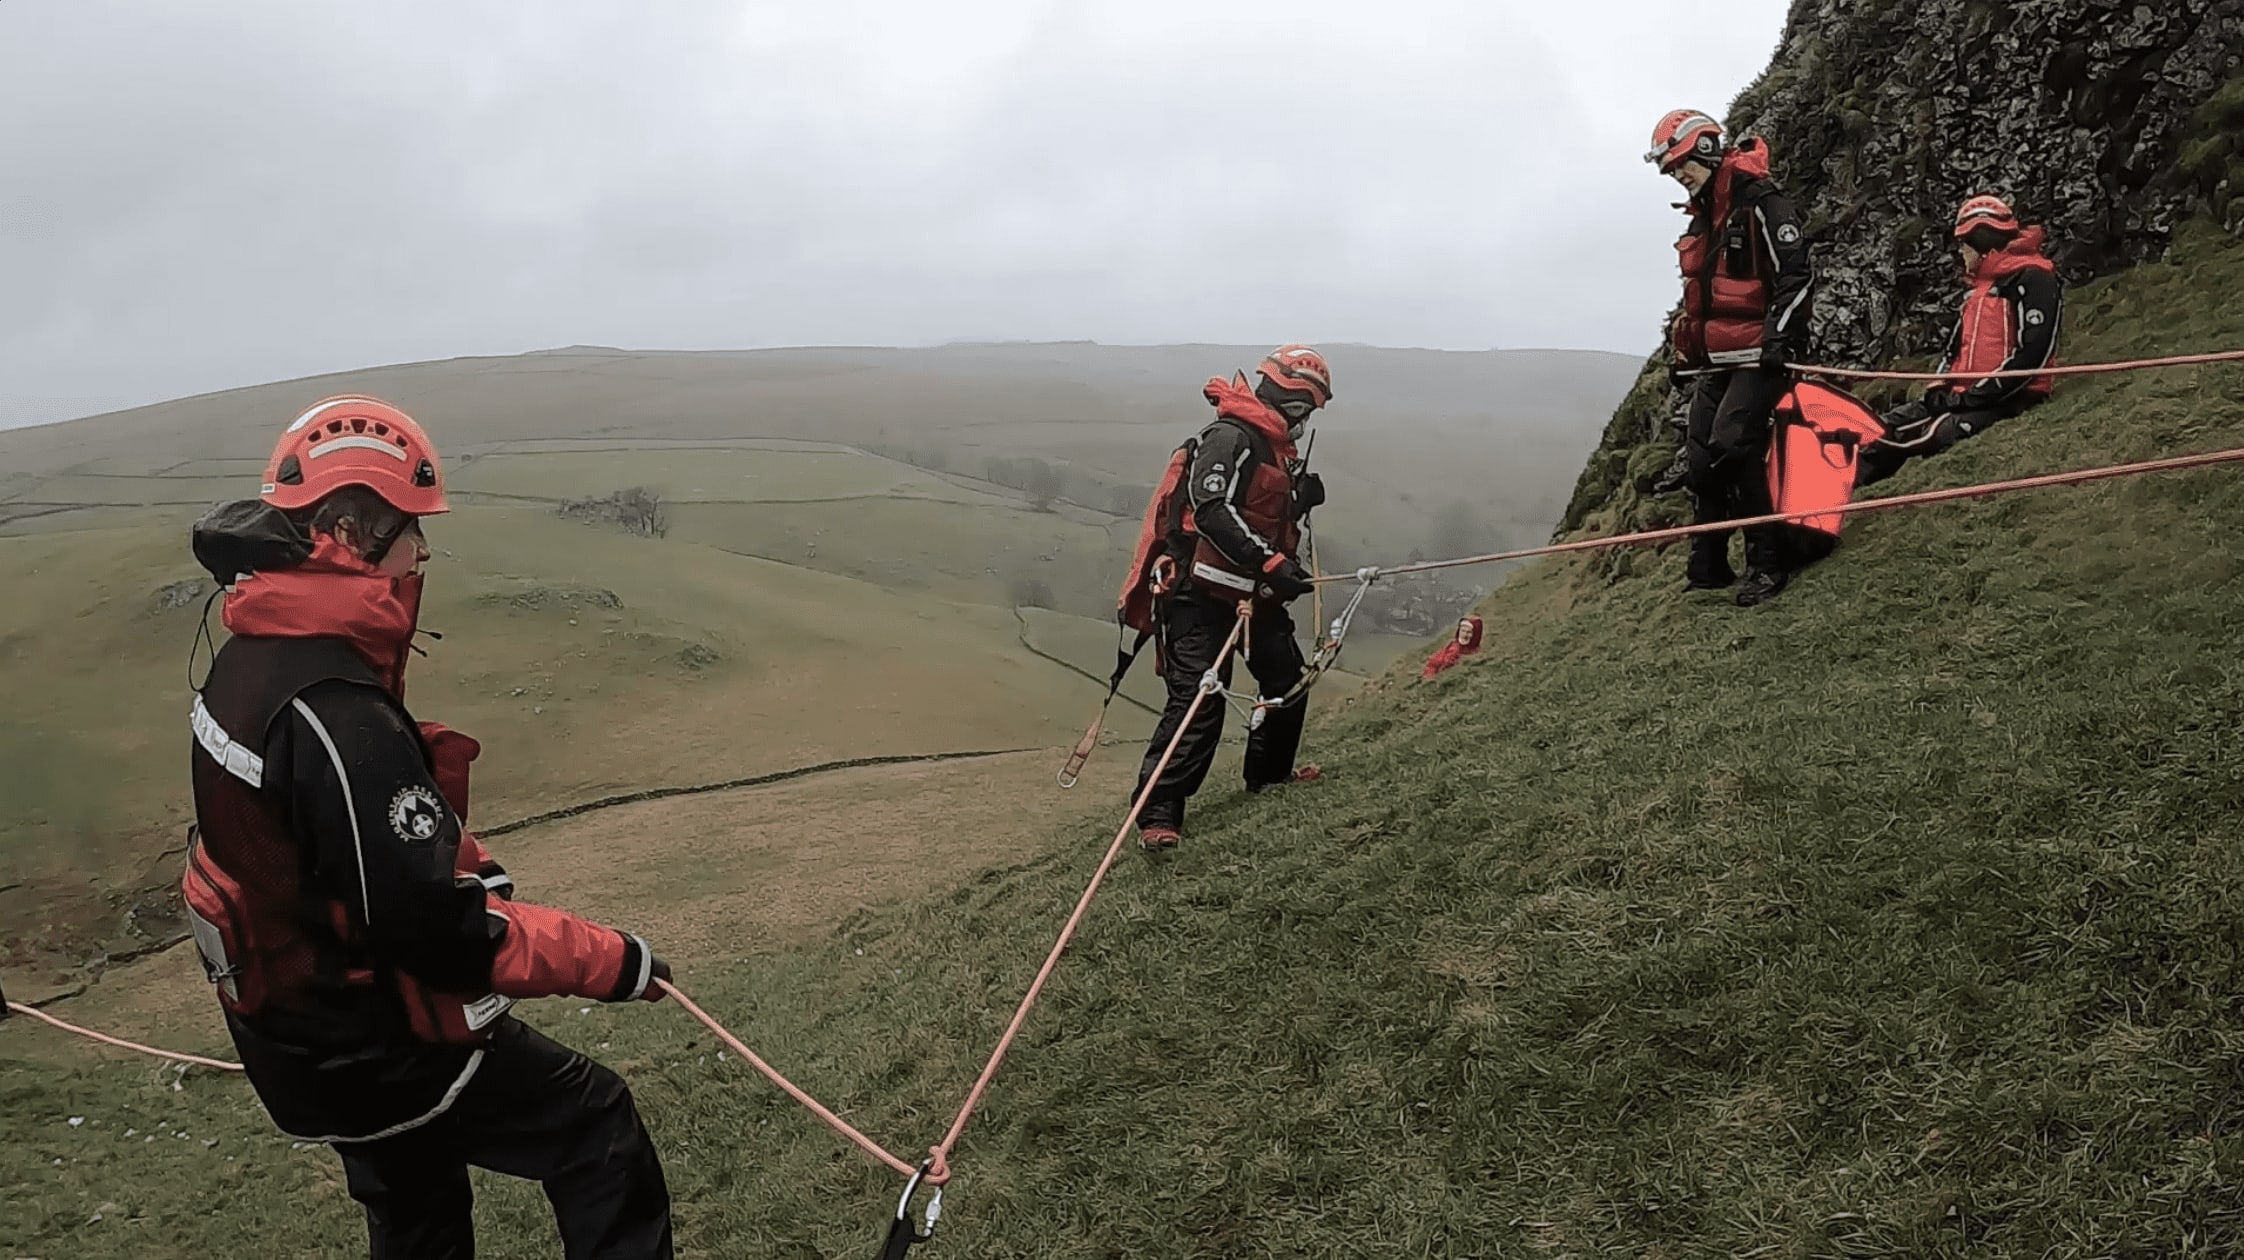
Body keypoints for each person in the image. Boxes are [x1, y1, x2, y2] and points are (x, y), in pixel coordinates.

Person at [183, 396, 675, 1259]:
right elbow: (439, 941)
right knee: (595, 1128)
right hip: (378, 1049)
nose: (423, 554)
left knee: (418, 1218)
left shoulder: (246, 665)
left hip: (293, 1037)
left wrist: (443, 860)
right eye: (412, 531)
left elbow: (324, 852)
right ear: (353, 530)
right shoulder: (337, 714)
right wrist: (613, 961)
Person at [1129, 347, 1332, 851]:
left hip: (1251, 592)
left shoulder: (1271, 448)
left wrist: (1296, 499)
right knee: (1199, 697)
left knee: (1286, 679)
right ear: (1292, 401)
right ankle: (1159, 812)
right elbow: (1212, 508)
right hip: (1197, 592)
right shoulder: (1230, 437)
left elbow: (1257, 510)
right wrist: (1270, 562)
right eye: (1305, 408)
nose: (1305, 420)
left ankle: (1268, 777)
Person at [1646, 109, 1817, 606]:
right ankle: (1709, 566)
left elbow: (1797, 275)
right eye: (1672, 171)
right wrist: (1687, 353)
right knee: (1701, 456)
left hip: (1762, 357)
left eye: (1681, 166)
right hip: (1719, 360)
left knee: (1734, 445)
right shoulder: (1706, 214)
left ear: (1703, 149)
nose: (1680, 177)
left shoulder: (1762, 201)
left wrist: (1778, 340)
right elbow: (1703, 295)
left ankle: (1768, 563)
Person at [1857, 195, 2062, 486]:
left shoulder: (2034, 279)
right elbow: (1954, 350)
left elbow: (2033, 354)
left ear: (1982, 241)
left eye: (1965, 244)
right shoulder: (1978, 290)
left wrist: (1970, 398)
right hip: (1965, 395)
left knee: (1937, 433)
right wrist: (1939, 389)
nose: (1961, 253)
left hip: (2012, 398)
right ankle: (1830, 495)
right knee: (1880, 426)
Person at [1420, 615, 1484, 681]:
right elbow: (1441, 666)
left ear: (1475, 635)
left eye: (1469, 632)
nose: (1464, 635)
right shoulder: (1454, 649)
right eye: (1462, 631)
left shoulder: (1473, 652)